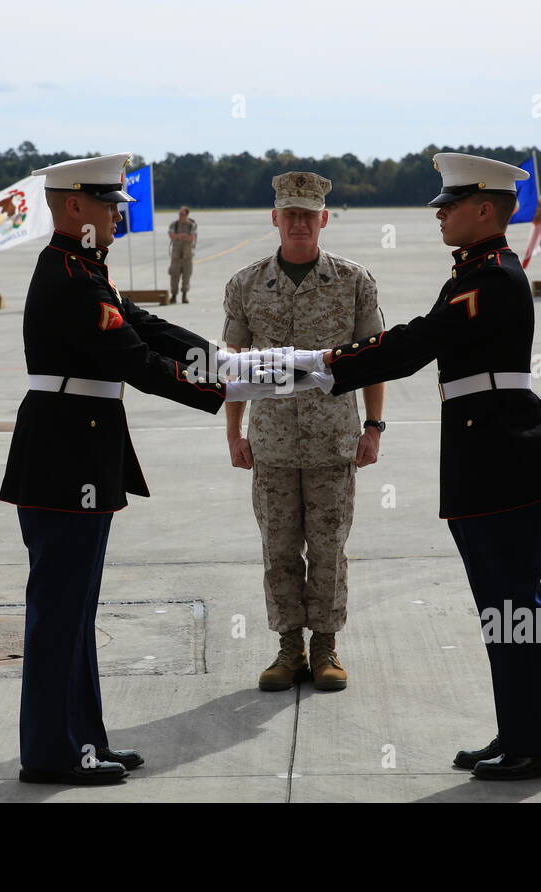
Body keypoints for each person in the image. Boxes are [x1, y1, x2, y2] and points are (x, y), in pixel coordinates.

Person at [287, 153, 541, 780]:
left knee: (514, 603)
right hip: (486, 454)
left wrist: (328, 363)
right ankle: (523, 731)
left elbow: (413, 344)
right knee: (503, 606)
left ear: (485, 209)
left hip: (500, 457)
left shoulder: (488, 279)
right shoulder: (475, 272)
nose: (441, 215)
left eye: (451, 205)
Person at [0, 153, 316, 786]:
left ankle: (82, 740)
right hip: (64, 460)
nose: (120, 215)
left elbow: (145, 326)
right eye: (109, 205)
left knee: (76, 609)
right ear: (73, 208)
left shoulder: (84, 269)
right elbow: (137, 360)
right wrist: (228, 387)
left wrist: (223, 360)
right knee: (61, 611)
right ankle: (51, 752)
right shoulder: (70, 277)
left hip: (77, 453)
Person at [222, 172, 385, 692]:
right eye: (289, 214)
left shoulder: (353, 280)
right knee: (279, 546)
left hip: (334, 439)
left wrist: (375, 427)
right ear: (275, 219)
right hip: (270, 441)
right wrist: (234, 434)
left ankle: (326, 646)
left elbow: (374, 361)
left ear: (323, 220)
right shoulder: (246, 284)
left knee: (330, 546)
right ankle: (289, 646)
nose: (298, 224)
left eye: (307, 216)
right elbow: (233, 368)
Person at [167, 207, 197, 303]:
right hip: (176, 256)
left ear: (187, 215)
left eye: (182, 214)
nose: (181, 216)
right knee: (174, 275)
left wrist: (178, 236)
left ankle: (184, 296)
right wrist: (182, 236)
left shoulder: (191, 225)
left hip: (187, 256)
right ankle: (174, 295)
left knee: (186, 275)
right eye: (180, 214)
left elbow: (191, 238)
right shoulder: (174, 224)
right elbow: (171, 235)